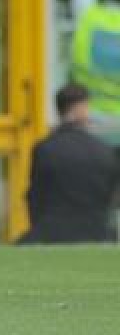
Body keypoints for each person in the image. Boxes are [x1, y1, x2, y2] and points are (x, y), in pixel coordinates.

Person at [23, 83, 119, 243]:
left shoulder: (44, 150)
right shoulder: (104, 151)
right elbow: (112, 198)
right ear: (81, 108)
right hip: (97, 234)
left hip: (50, 233)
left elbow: (35, 197)